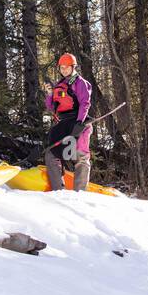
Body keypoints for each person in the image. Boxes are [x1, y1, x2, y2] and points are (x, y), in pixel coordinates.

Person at [43, 53, 92, 191]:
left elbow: (85, 104)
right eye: (62, 67)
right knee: (52, 154)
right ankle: (58, 190)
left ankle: (80, 192)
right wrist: (49, 95)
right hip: (63, 124)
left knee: (81, 157)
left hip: (79, 123)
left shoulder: (81, 83)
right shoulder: (60, 85)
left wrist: (79, 123)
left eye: (67, 67)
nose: (64, 70)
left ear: (73, 67)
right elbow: (52, 107)